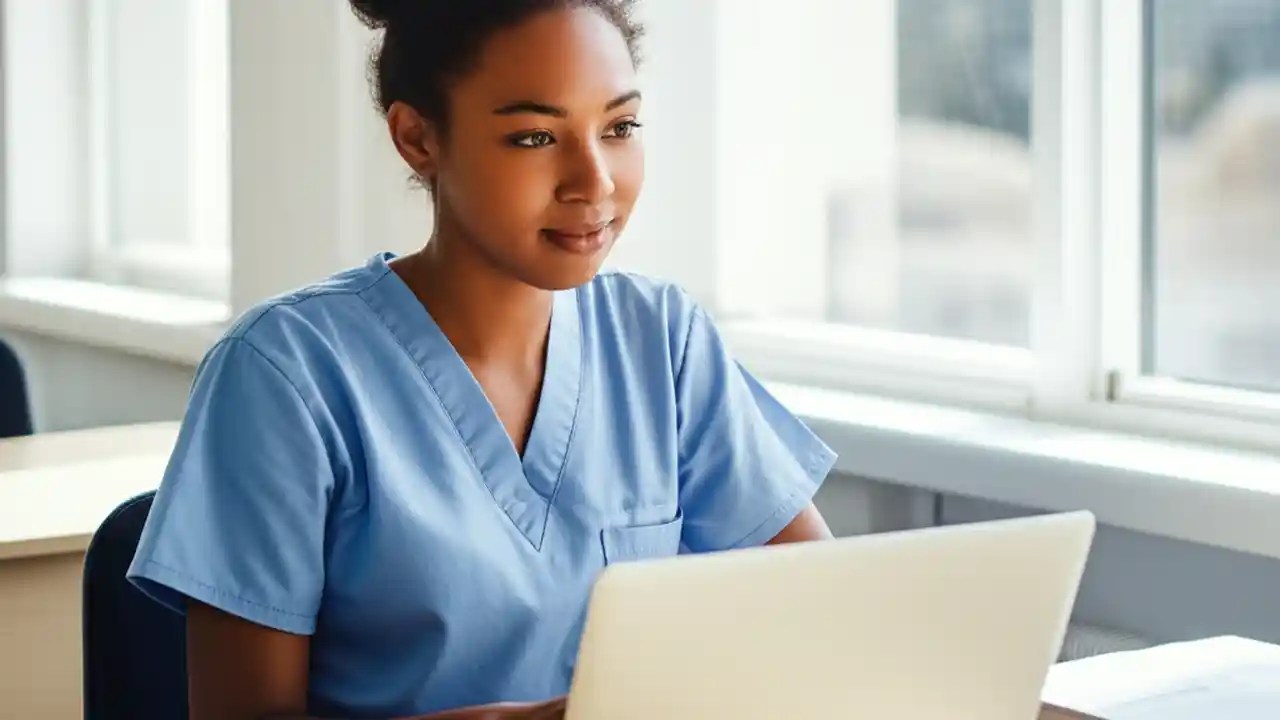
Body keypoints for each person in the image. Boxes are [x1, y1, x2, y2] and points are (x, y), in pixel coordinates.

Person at [128, 1, 838, 718]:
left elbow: (832, 613)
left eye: (619, 128)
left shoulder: (661, 340)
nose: (594, 181)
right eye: (534, 137)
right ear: (417, 138)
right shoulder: (286, 375)